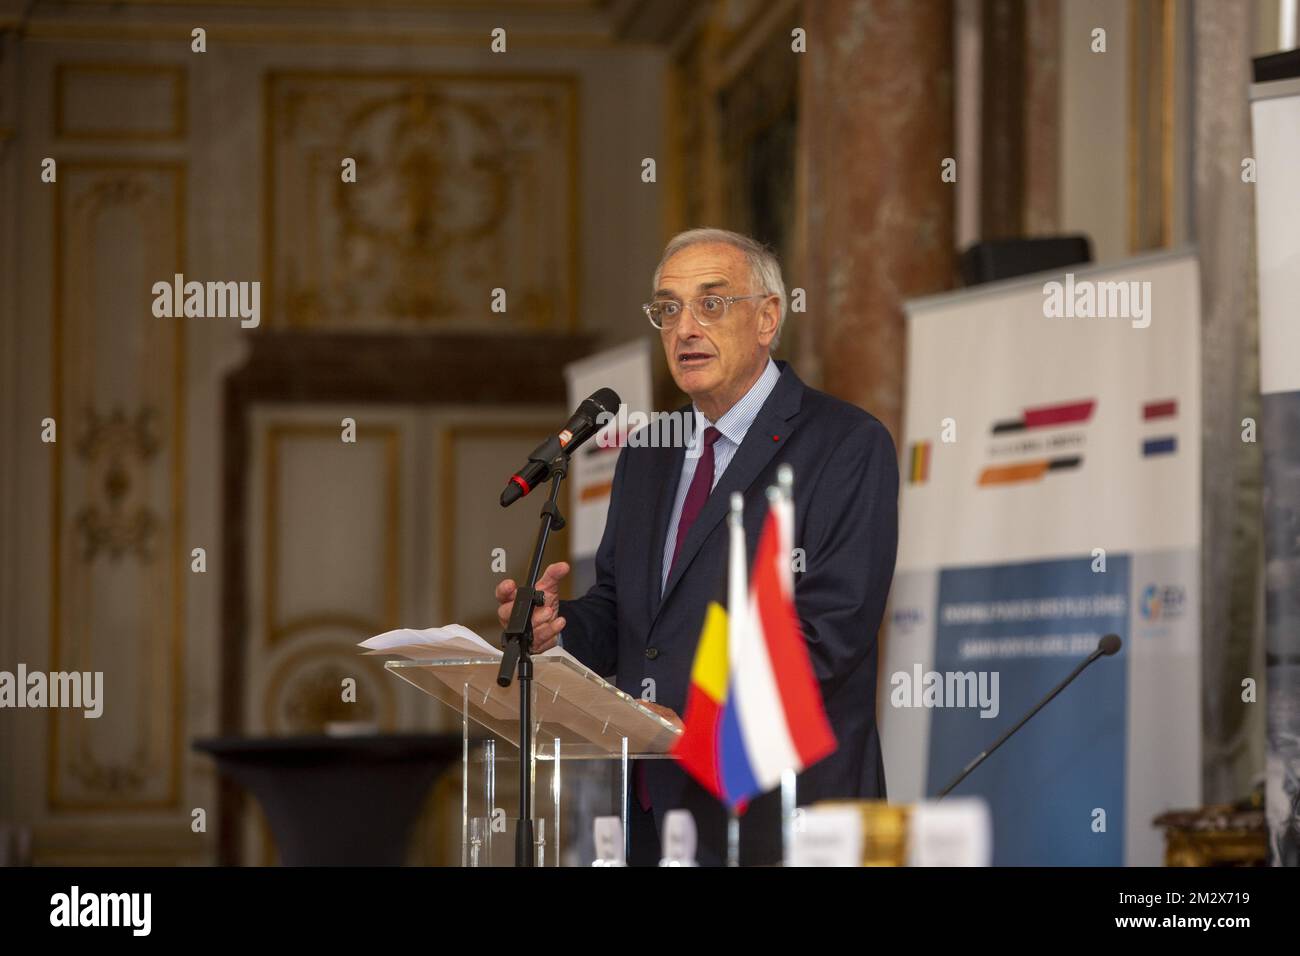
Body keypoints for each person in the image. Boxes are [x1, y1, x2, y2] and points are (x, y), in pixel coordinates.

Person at [495, 228, 899, 865]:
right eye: (667, 308)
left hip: (781, 807)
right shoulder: (646, 454)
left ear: (768, 318)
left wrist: (677, 720)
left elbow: (831, 632)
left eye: (711, 303)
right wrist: (557, 627)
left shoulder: (844, 444)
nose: (684, 327)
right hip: (654, 811)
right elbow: (626, 612)